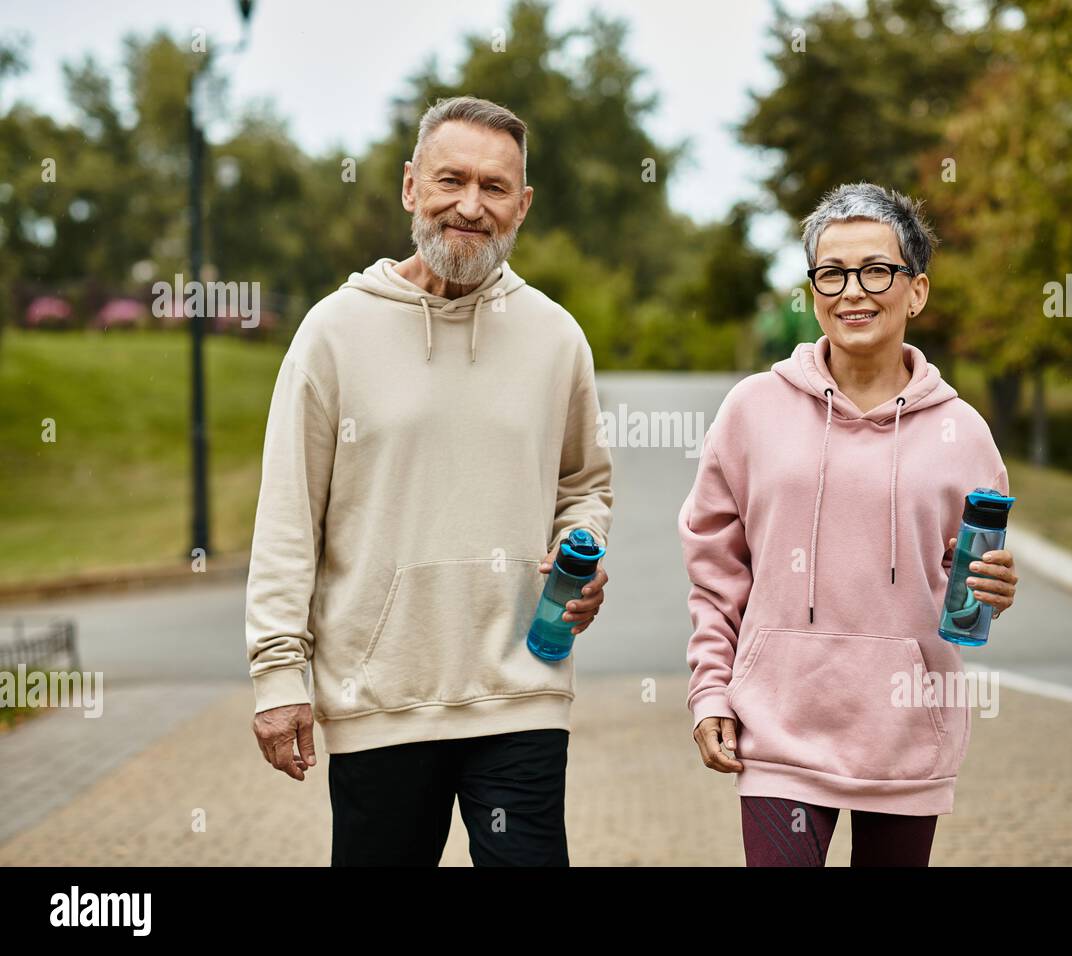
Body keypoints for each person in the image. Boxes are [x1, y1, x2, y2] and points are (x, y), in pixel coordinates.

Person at [245, 96, 613, 866]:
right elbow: (287, 517)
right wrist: (279, 674)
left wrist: (583, 550)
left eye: (495, 188)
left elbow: (583, 483)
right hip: (380, 701)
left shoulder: (554, 336)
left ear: (523, 204)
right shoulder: (333, 333)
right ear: (412, 186)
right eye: (451, 181)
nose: (471, 207)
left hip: (522, 691)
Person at [679, 182, 1018, 867]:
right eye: (830, 273)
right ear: (812, 290)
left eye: (875, 270)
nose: (852, 291)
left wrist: (990, 589)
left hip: (905, 739)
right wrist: (711, 688)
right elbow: (716, 573)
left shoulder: (964, 433)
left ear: (915, 291)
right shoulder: (752, 410)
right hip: (780, 732)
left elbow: (965, 590)